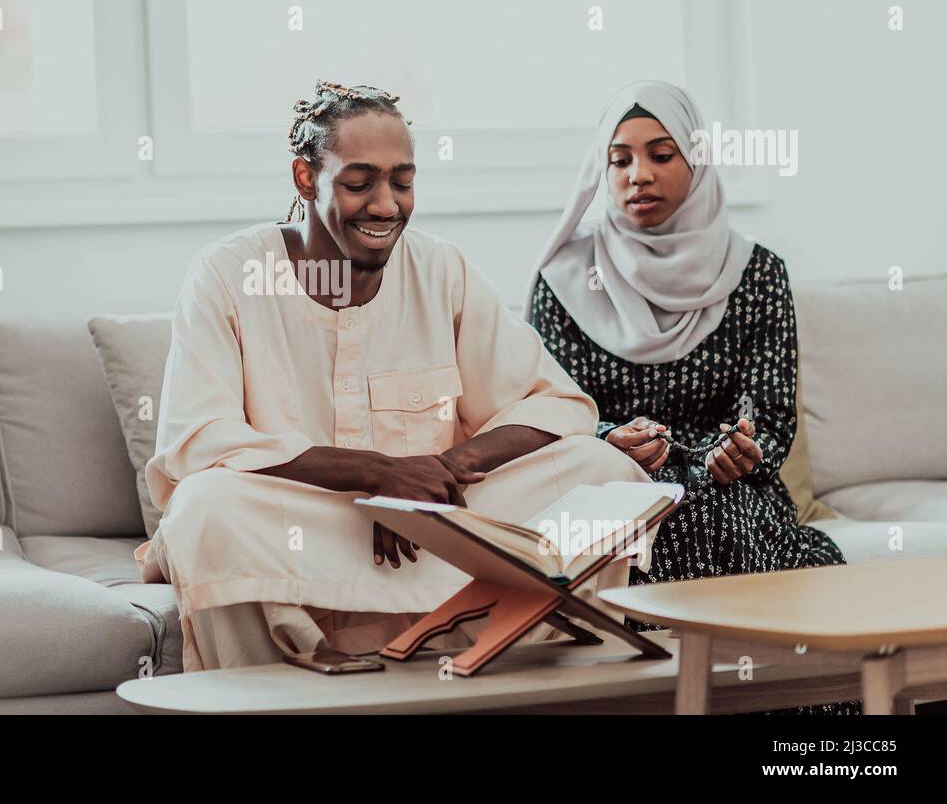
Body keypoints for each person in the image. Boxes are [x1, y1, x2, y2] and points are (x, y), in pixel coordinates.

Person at [135, 80, 653, 672]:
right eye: (359, 183)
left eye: (402, 182)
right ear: (306, 178)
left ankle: (519, 676)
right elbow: (199, 442)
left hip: (434, 528)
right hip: (307, 525)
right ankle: (272, 690)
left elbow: (556, 403)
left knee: (603, 470)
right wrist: (377, 475)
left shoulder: (442, 269)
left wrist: (441, 473)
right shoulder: (228, 274)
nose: (386, 205)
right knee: (207, 506)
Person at [524, 79, 858, 714]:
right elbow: (549, 411)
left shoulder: (756, 272)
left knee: (734, 526)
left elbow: (769, 412)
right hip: (612, 495)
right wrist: (609, 442)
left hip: (732, 489)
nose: (638, 175)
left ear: (696, 160)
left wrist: (734, 450)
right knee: (671, 533)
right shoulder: (565, 281)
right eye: (618, 160)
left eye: (661, 154)